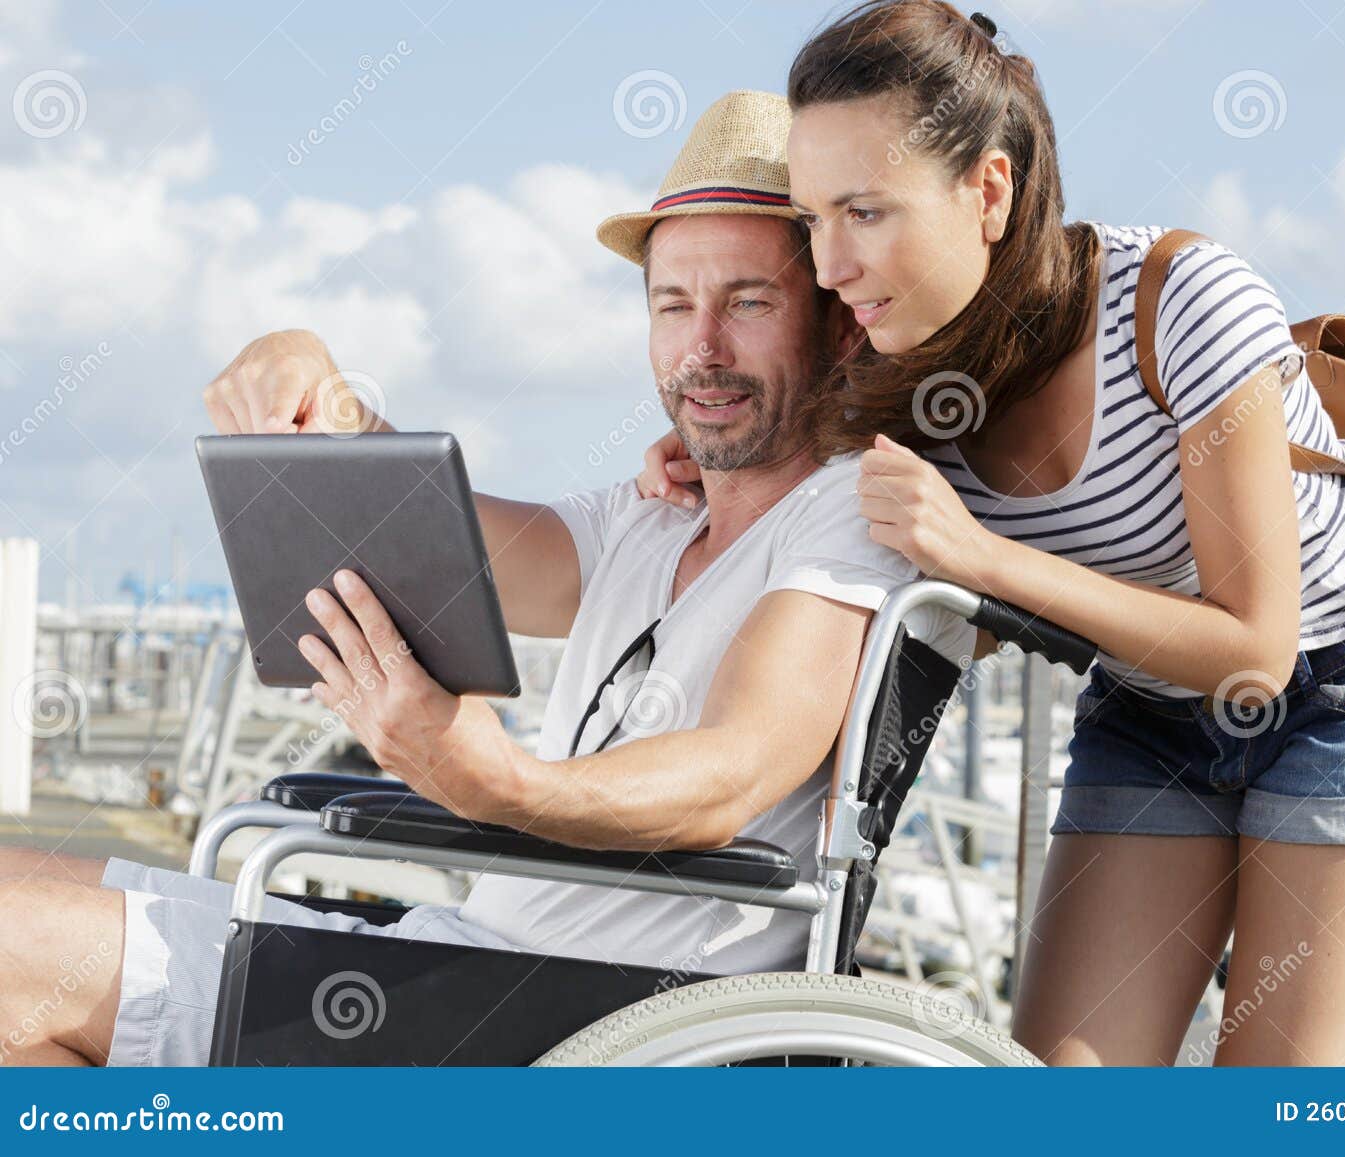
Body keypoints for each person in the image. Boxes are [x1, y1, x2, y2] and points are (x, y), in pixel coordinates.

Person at [0, 89, 969, 1067]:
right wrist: (318, 380)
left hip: (586, 1019)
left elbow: (733, 766)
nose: (703, 346)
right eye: (674, 303)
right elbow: (407, 531)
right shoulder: (645, 513)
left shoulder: (854, 509)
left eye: (749, 302)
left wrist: (495, 778)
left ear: (840, 325)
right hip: (462, 962)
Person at [635, 2, 1345, 1066]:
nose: (832, 262)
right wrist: (708, 463)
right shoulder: (887, 379)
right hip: (1153, 699)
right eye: (812, 221)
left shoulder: (1179, 305)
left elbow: (1256, 647)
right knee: (1058, 1098)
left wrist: (983, 560)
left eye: (865, 211)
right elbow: (794, 487)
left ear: (987, 190)